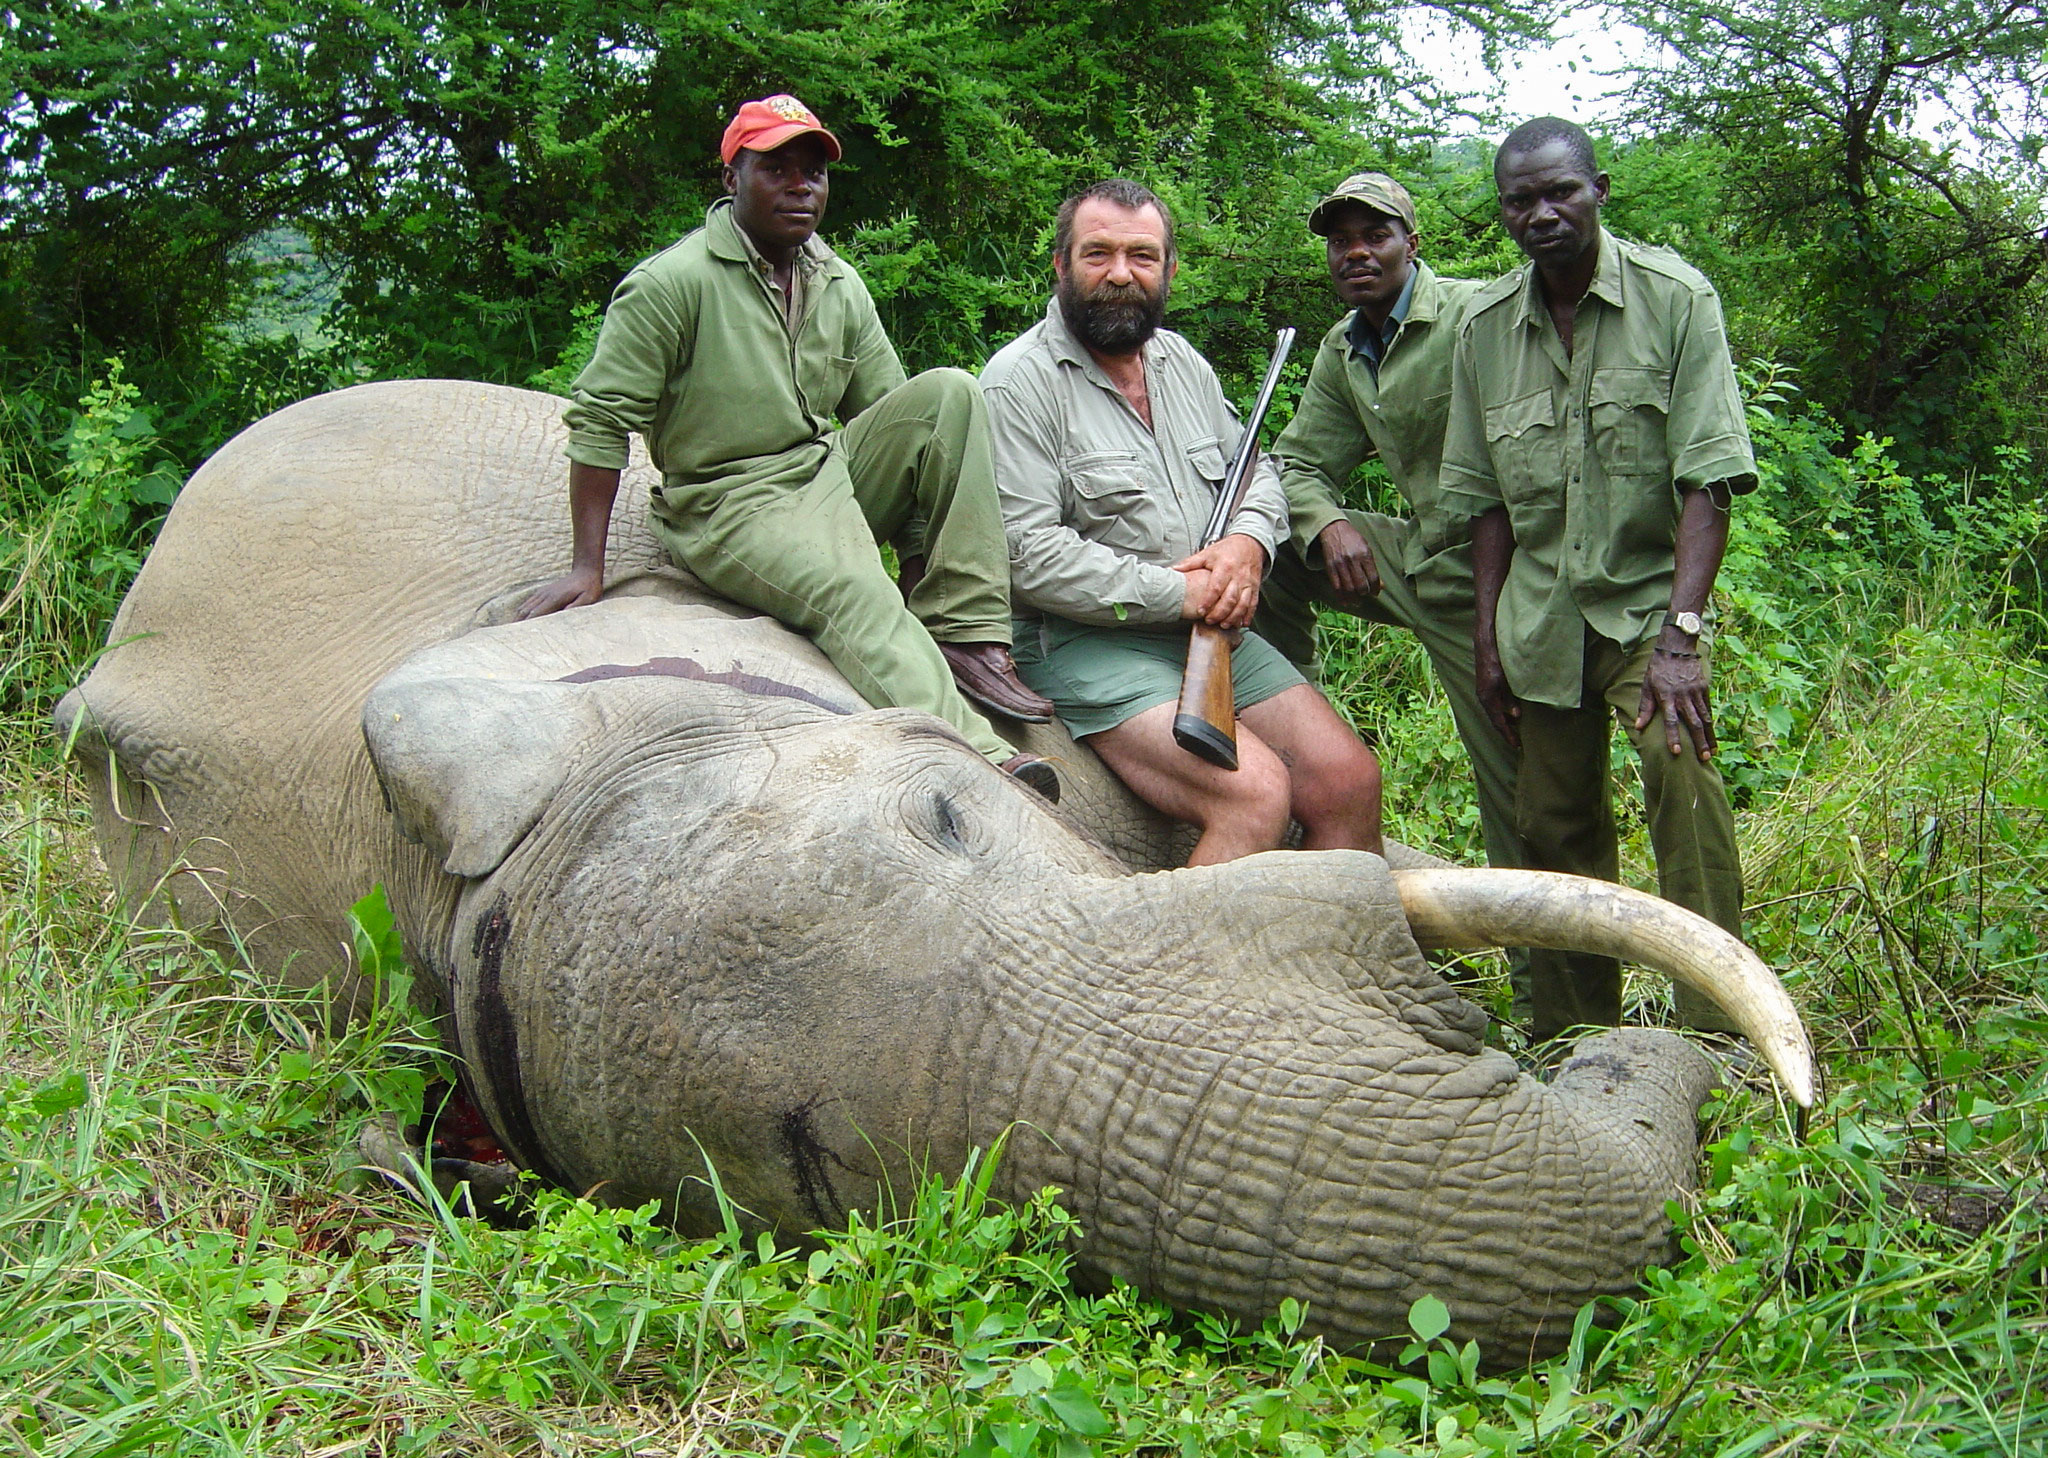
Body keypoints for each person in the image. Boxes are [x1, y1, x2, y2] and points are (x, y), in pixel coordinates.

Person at [519, 94, 1060, 799]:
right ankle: (982, 756)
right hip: (731, 501)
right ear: (731, 179)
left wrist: (919, 559)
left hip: (821, 469)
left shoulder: (835, 280)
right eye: (777, 169)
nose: (801, 186)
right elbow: (600, 418)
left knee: (951, 392)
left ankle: (962, 629)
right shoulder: (671, 284)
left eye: (814, 172)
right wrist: (585, 565)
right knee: (853, 587)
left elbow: (902, 425)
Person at [1441, 117, 1757, 1039]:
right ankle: (1578, 1037)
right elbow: (1486, 505)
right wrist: (1487, 639)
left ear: (1598, 190)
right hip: (1539, 621)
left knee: (1681, 775)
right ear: (1502, 211)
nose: (1541, 213)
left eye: (1559, 193)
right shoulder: (1485, 332)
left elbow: (1708, 483)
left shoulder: (1675, 300)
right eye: (1520, 200)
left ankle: (1716, 1031)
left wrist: (1681, 639)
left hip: (1644, 613)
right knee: (1553, 826)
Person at [982, 179, 1383, 865]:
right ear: (1060, 265)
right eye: (1097, 254)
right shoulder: (1016, 382)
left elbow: (1255, 475)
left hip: (1210, 632)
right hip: (1085, 644)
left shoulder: (1182, 364)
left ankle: (1304, 968)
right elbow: (1028, 552)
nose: (1119, 274)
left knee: (1350, 783)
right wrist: (1183, 592)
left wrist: (1248, 545)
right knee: (1254, 795)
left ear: (1168, 270)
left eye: (1141, 256)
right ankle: (1176, 976)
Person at [1253, 170, 1521, 897]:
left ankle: (1548, 997)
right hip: (1425, 559)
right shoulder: (1346, 346)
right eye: (1341, 242)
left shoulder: (1477, 315)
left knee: (1519, 792)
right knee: (1271, 544)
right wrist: (1327, 520)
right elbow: (1299, 462)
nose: (1357, 254)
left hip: (1509, 581)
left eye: (1375, 236)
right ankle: (1283, 735)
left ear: (1412, 243)